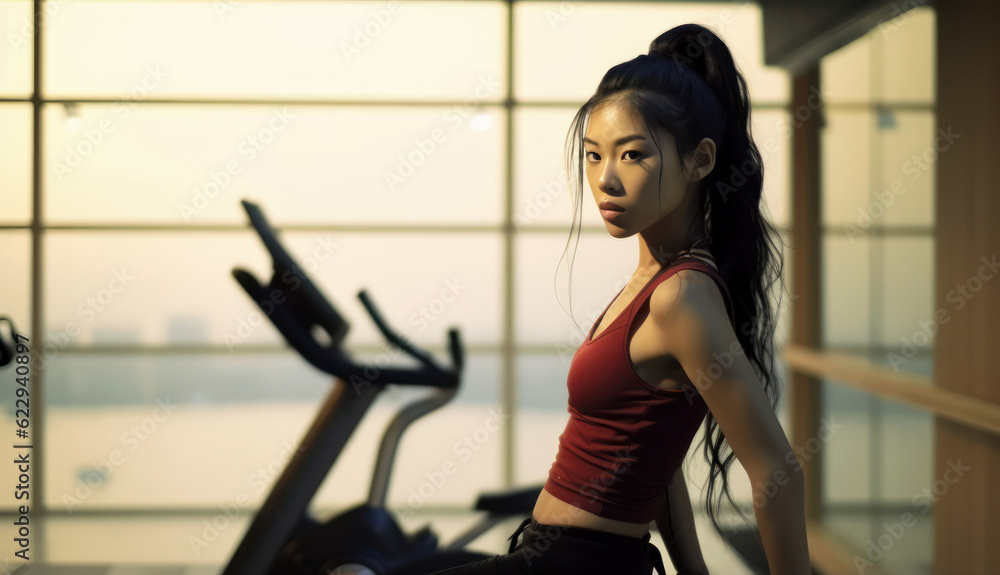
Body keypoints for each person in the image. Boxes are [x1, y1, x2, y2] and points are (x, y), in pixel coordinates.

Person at [424, 22, 810, 575]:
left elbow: (777, 470)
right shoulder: (651, 283)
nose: (605, 179)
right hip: (553, 554)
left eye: (631, 155)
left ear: (700, 160)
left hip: (577, 563)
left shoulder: (682, 296)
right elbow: (655, 453)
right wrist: (692, 570)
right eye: (593, 155)